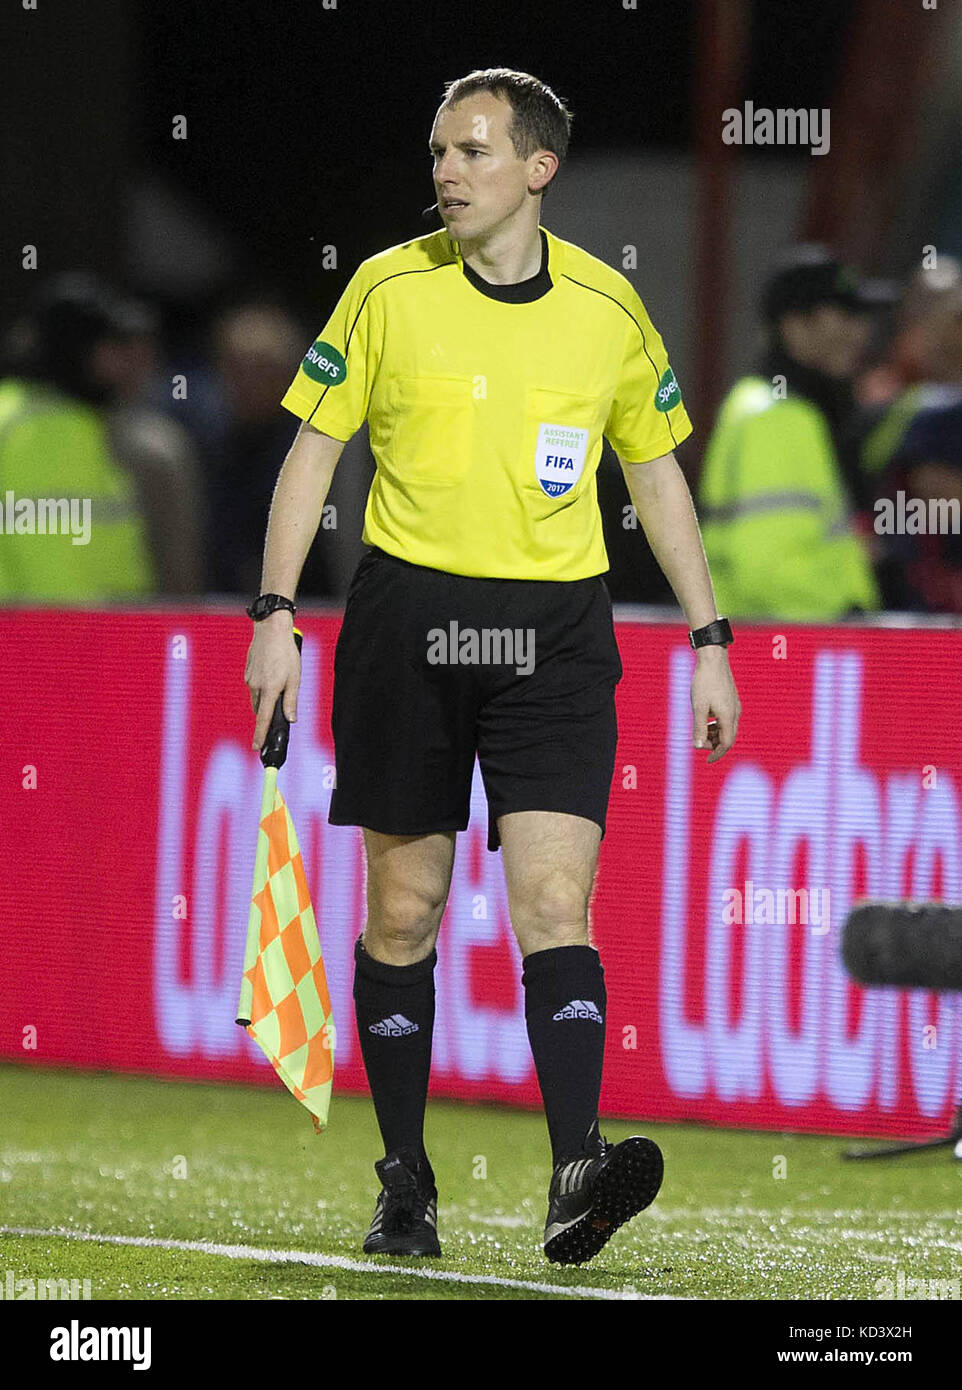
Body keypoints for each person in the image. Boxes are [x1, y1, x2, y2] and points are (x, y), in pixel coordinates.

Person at [245, 67, 740, 1267]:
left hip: (557, 632)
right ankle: (404, 1179)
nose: (445, 173)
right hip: (407, 616)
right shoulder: (383, 288)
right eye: (436, 152)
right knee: (403, 912)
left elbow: (656, 472)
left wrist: (708, 635)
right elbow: (313, 454)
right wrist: (274, 611)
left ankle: (575, 1169)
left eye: (470, 152)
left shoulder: (608, 308)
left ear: (537, 169)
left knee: (554, 904)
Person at [697, 246, 882, 621]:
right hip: (786, 656)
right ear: (793, 325)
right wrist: (850, 616)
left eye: (863, 317)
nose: (860, 331)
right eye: (845, 315)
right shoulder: (776, 415)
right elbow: (767, 568)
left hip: (782, 648)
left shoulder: (780, 407)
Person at [0, 273, 155, 603]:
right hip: (51, 642)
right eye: (111, 347)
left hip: (69, 636)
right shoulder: (44, 427)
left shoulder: (73, 421)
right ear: (77, 351)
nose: (123, 363)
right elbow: (51, 565)